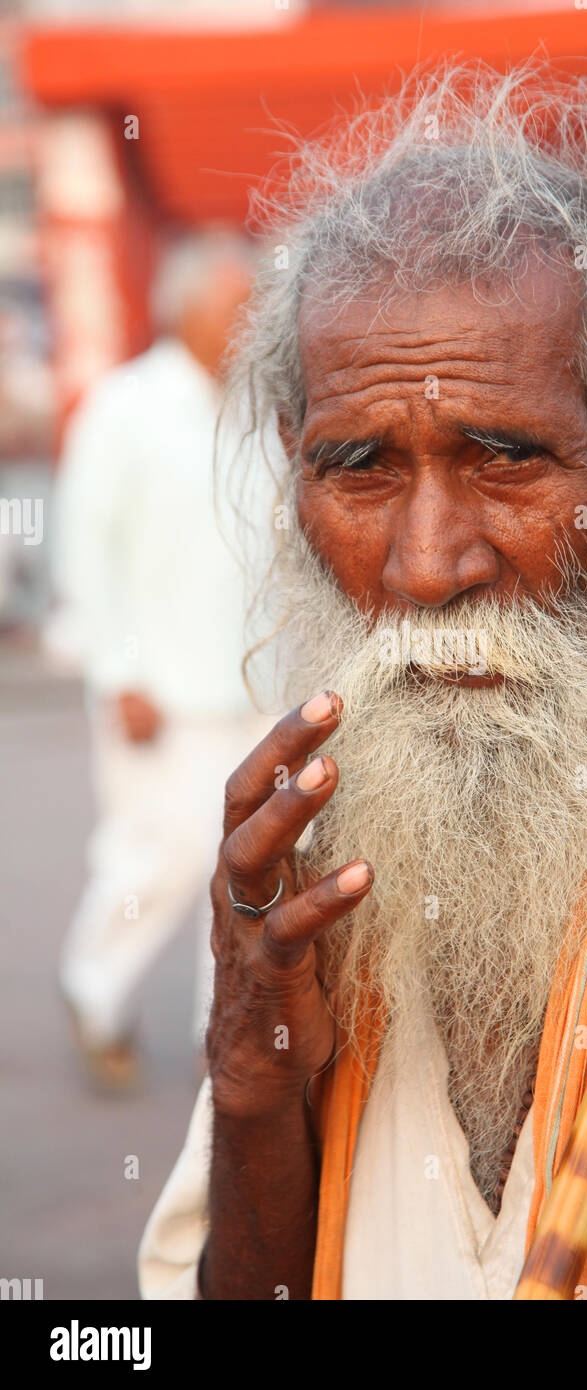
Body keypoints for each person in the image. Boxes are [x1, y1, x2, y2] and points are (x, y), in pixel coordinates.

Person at [138, 66, 587, 1299]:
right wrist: (253, 1084)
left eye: (506, 459)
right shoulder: (321, 846)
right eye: (358, 468)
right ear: (292, 475)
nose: (427, 567)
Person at [51, 231, 272, 1089]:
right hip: (161, 693)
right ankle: (92, 989)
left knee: (250, 866)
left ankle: (220, 1035)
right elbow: (86, 552)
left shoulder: (265, 406)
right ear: (182, 312)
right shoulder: (124, 407)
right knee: (160, 855)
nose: (246, 324)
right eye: (231, 309)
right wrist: (120, 673)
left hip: (258, 686)